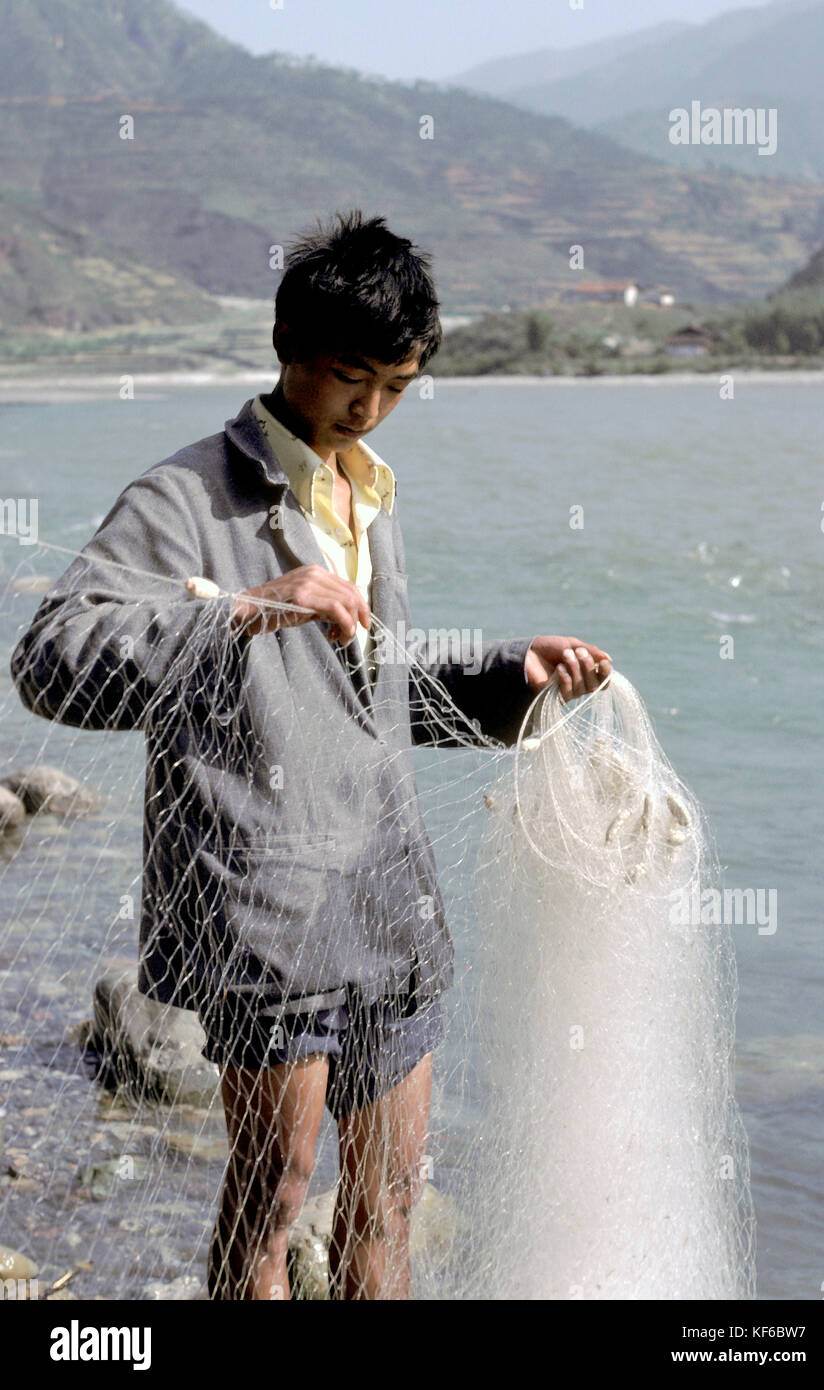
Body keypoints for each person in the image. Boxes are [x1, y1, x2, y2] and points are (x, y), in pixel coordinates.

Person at [11, 210, 611, 1300]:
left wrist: (503, 674)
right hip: (261, 910)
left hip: (388, 900)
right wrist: (240, 611)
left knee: (388, 1197)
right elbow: (51, 659)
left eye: (396, 386)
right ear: (289, 350)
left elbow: (372, 692)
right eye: (350, 379)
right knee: (273, 1193)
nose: (370, 408)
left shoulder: (365, 494)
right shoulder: (185, 495)